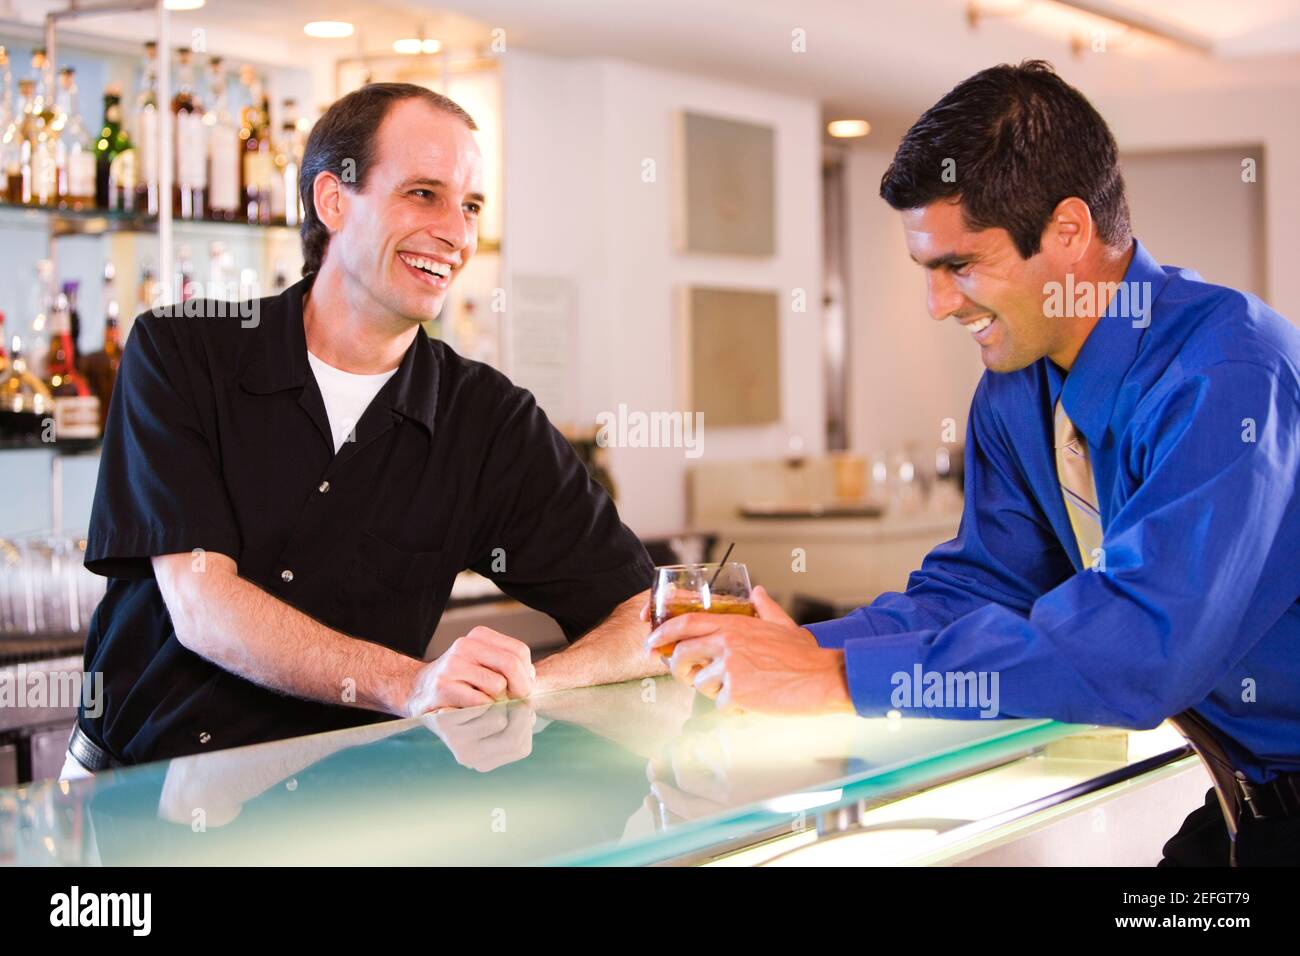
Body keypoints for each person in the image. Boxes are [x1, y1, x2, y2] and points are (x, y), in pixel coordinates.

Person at [648, 61, 1300, 865]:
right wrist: (806, 650)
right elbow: (981, 588)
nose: (939, 305)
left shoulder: (1230, 375)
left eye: (960, 265)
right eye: (928, 270)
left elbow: (1142, 649)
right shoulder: (1015, 389)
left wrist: (837, 681)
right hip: (1248, 797)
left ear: (1069, 232)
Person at [63, 83, 661, 780]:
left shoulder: (489, 420)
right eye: (423, 194)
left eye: (470, 206)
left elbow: (644, 614)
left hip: (343, 806)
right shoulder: (182, 354)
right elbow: (203, 607)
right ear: (333, 200)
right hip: (134, 795)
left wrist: (525, 686)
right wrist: (411, 683)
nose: (458, 234)